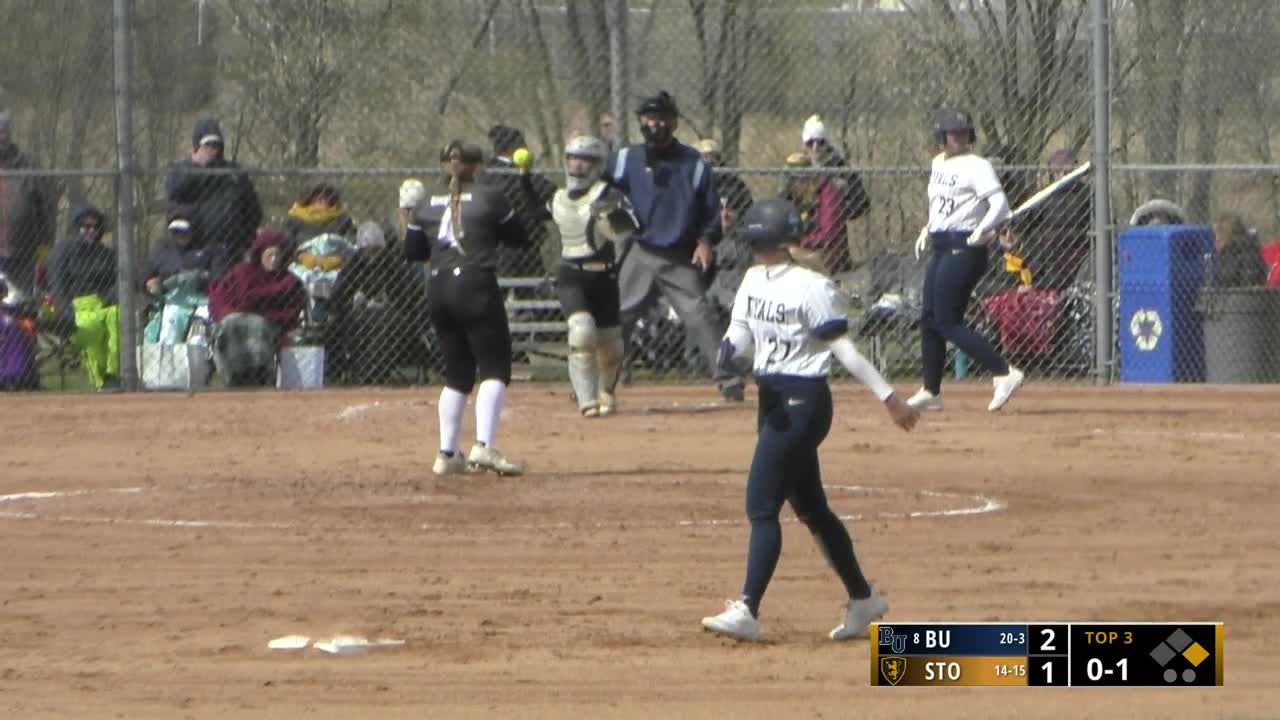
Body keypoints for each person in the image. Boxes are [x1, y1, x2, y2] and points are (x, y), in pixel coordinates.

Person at [700, 198, 919, 643]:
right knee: (811, 508)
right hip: (772, 398)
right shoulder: (753, 277)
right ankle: (863, 598)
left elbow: (844, 351)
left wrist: (890, 398)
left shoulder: (811, 286)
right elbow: (740, 330)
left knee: (761, 505)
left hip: (803, 402)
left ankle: (747, 609)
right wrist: (726, 352)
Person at [605, 90, 745, 402]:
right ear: (641, 121)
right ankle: (601, 385)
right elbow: (601, 188)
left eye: (662, 118)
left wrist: (706, 241)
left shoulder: (693, 163)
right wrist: (611, 216)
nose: (655, 124)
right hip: (640, 252)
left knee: (701, 317)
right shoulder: (626, 159)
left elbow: (711, 211)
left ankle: (729, 381)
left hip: (679, 256)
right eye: (649, 118)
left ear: (674, 122)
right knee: (618, 318)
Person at [404, 140, 530, 477]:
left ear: (443, 166)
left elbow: (413, 252)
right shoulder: (489, 196)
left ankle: (447, 454)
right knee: (494, 368)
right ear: (477, 166)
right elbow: (520, 237)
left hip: (438, 286)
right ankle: (484, 446)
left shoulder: (425, 202)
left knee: (457, 373)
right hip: (475, 284)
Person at [907, 109, 1025, 413]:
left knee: (947, 321)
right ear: (941, 135)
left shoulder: (978, 166)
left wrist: (982, 229)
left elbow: (1000, 205)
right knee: (929, 318)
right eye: (952, 132)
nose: (958, 137)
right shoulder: (938, 163)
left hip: (965, 246)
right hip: (940, 244)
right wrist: (928, 228)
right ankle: (931, 391)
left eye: (963, 132)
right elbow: (941, 204)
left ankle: (1004, 372)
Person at [548, 135, 639, 417]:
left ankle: (605, 392)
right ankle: (586, 399)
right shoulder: (558, 197)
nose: (577, 165)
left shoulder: (608, 194)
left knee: (611, 346)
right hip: (572, 275)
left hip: (604, 276)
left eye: (585, 160)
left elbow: (628, 230)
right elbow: (535, 210)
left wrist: (611, 215)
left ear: (598, 165)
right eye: (573, 158)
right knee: (582, 332)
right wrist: (525, 179)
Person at [165, 118, 263, 279]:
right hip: (192, 248)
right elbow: (174, 192)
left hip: (229, 248)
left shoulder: (233, 174)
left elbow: (253, 211)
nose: (212, 149)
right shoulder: (182, 169)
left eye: (216, 144)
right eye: (207, 145)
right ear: (197, 146)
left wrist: (244, 239)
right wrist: (197, 166)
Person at [208, 228, 306, 386]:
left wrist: (259, 315)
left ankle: (260, 376)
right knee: (231, 324)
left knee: (256, 325)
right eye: (269, 255)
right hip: (234, 321)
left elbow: (290, 313)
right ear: (260, 254)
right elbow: (218, 299)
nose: (274, 259)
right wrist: (229, 313)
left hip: (268, 325)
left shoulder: (289, 282)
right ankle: (234, 376)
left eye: (278, 255)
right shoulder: (241, 272)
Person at [47, 205, 119, 390]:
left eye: (95, 227)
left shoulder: (105, 253)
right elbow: (58, 287)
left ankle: (113, 374)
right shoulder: (62, 252)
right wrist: (65, 313)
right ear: (76, 227)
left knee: (118, 317)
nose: (91, 231)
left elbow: (117, 281)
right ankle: (100, 380)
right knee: (92, 329)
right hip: (77, 307)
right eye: (86, 226)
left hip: (104, 303)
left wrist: (112, 295)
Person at [483, 125, 558, 277]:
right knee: (529, 282)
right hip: (521, 240)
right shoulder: (510, 171)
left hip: (497, 243)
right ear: (515, 148)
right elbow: (548, 188)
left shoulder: (486, 172)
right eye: (523, 145)